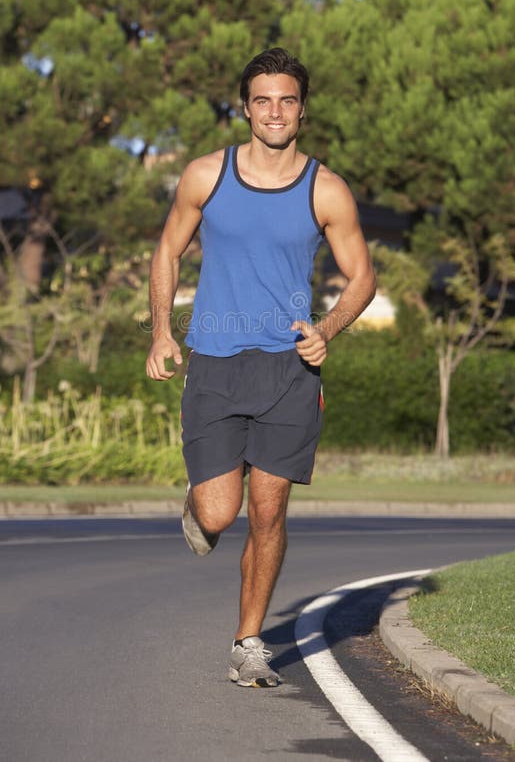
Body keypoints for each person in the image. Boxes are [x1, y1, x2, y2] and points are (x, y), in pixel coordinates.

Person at [146, 47, 376, 688]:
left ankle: (249, 643)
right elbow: (167, 249)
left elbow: (362, 277)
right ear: (245, 106)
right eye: (262, 99)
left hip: (287, 374)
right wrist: (162, 331)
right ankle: (198, 506)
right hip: (216, 365)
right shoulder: (205, 176)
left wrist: (325, 331)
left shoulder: (325, 188)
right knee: (221, 514)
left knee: (268, 511)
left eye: (287, 100)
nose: (275, 111)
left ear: (302, 108)